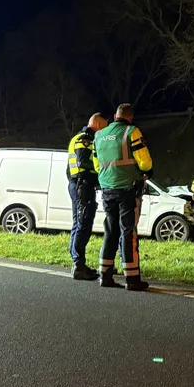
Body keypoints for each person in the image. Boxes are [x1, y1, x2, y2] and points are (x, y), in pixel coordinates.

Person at [94, 103, 153, 291]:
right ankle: (132, 279)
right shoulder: (131, 131)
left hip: (107, 189)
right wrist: (146, 172)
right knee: (129, 232)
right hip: (127, 188)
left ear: (114, 115)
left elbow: (97, 164)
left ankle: (105, 275)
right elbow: (144, 161)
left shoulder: (99, 135)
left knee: (111, 230)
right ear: (130, 117)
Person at [67, 113, 108, 280]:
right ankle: (78, 265)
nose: (106, 130)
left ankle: (79, 263)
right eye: (105, 125)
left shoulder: (85, 138)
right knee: (83, 224)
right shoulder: (84, 139)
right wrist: (103, 172)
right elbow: (83, 163)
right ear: (97, 124)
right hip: (82, 185)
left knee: (80, 223)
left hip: (82, 185)